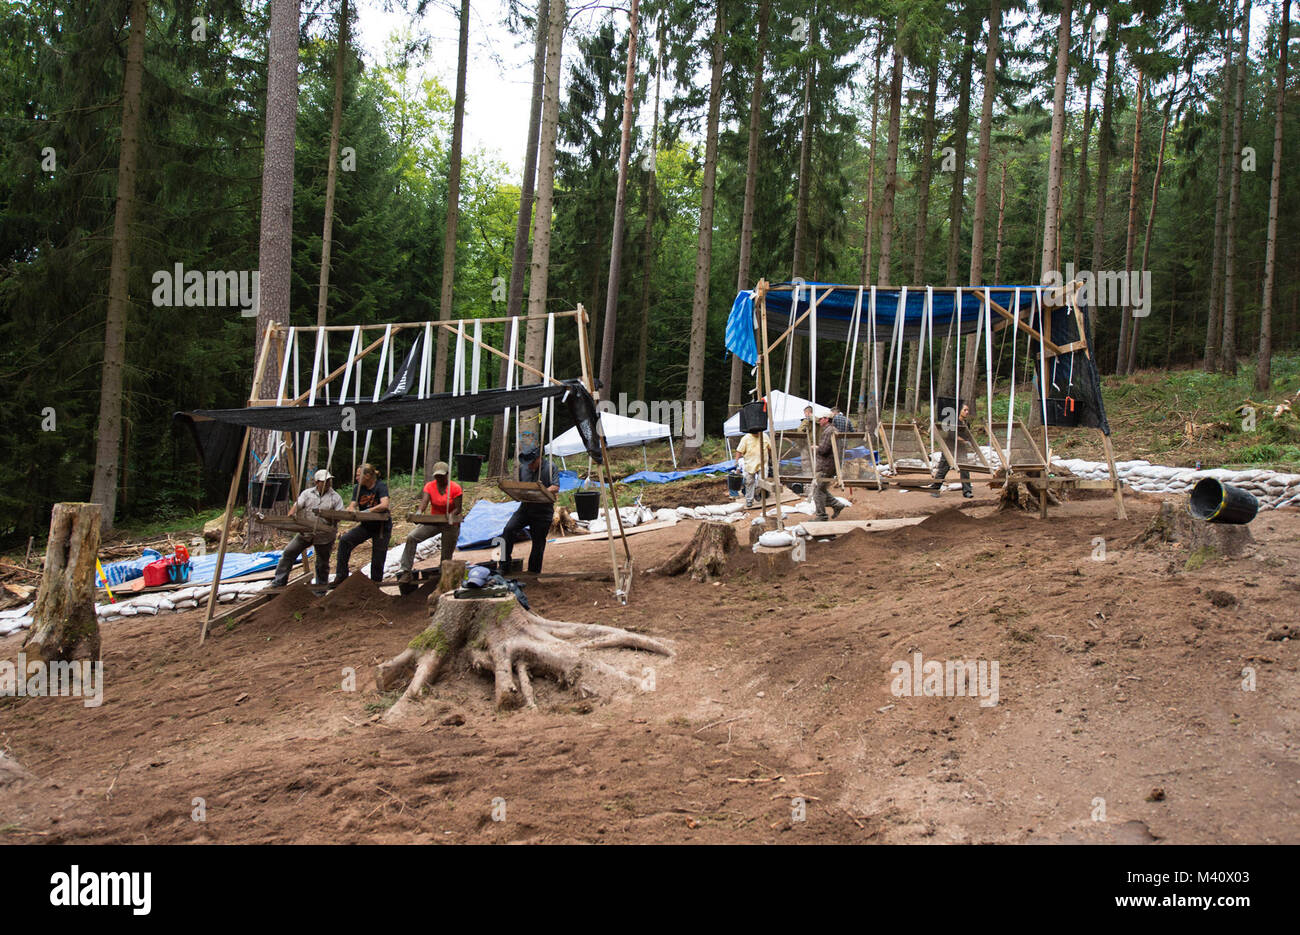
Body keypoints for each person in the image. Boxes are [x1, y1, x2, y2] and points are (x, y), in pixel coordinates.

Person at [270, 469, 344, 588]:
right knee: (289, 553)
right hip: (306, 532)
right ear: (317, 482)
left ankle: (320, 588)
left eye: (329, 481)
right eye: (324, 481)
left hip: (324, 535)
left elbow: (340, 515)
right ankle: (279, 582)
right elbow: (297, 505)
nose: (327, 483)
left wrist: (328, 517)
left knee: (322, 563)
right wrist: (291, 515)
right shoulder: (307, 494)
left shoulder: (335, 497)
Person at [397, 461, 462, 583]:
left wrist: (451, 515)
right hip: (434, 521)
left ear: (447, 474)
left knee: (446, 557)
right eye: (437, 476)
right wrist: (419, 513)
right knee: (412, 537)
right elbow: (424, 503)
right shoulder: (430, 486)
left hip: (450, 524)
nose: (439, 478)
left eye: (441, 476)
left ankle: (443, 577)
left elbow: (459, 508)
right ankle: (406, 572)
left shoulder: (455, 488)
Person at [501, 446, 559, 574]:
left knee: (538, 541)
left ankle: (533, 572)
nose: (529, 466)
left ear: (539, 458)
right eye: (527, 463)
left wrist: (539, 491)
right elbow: (522, 485)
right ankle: (504, 566)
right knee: (508, 530)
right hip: (525, 508)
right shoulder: (523, 469)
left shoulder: (550, 467)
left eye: (532, 462)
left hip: (543, 510)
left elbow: (555, 486)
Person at [333, 463, 391, 586]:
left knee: (378, 557)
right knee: (345, 541)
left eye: (359, 475)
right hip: (366, 526)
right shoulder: (358, 488)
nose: (356, 478)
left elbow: (384, 504)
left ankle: (375, 584)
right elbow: (353, 504)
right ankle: (341, 575)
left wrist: (368, 511)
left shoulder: (380, 486)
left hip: (381, 527)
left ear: (368, 476)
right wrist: (351, 510)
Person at [932, 402, 974, 498]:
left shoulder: (966, 423)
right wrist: (964, 441)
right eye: (965, 410)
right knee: (943, 469)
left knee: (965, 469)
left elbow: (968, 435)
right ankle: (935, 489)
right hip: (950, 448)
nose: (967, 412)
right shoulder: (952, 422)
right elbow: (952, 435)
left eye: (968, 410)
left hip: (961, 450)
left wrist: (969, 442)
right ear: (959, 411)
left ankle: (967, 491)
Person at [811, 414, 844, 522]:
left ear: (826, 419)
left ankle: (821, 516)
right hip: (830, 465)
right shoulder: (832, 430)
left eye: (820, 419)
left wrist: (816, 448)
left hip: (825, 466)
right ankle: (837, 505)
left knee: (817, 492)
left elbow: (823, 450)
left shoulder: (828, 431)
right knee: (821, 489)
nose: (819, 421)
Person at [734, 429, 774, 508]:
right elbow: (739, 450)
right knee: (749, 482)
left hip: (763, 464)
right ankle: (749, 500)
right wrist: (736, 461)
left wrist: (771, 458)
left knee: (762, 481)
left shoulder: (764, 436)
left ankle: (756, 492)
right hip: (749, 464)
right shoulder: (745, 438)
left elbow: (770, 448)